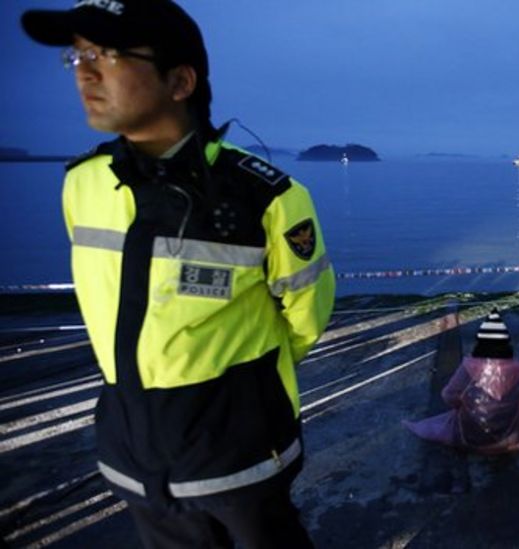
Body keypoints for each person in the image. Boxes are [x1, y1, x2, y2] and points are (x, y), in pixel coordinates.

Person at [21, 1, 335, 547]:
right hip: (131, 454)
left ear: (180, 81)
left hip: (241, 457)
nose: (85, 73)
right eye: (79, 56)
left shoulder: (267, 197)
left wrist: (243, 393)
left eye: (108, 54)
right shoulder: (82, 183)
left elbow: (307, 316)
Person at [404, 309, 519, 453]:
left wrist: (467, 404)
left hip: (470, 437)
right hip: (511, 436)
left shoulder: (468, 367)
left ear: (480, 343)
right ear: (506, 344)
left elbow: (448, 396)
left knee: (442, 423)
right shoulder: (517, 368)